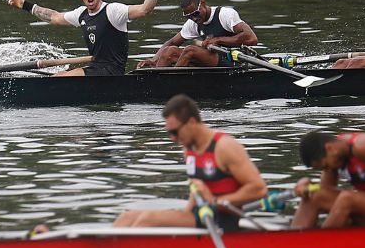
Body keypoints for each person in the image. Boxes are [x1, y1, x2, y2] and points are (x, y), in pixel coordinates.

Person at [114, 95, 267, 231]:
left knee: (147, 220)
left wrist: (216, 201)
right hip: (200, 216)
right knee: (126, 217)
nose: (173, 138)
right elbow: (197, 188)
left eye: (175, 132)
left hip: (223, 220)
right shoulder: (188, 148)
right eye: (169, 133)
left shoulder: (224, 147)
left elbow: (259, 189)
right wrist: (184, 214)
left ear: (192, 122)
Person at [4, 0, 165, 76]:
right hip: (96, 69)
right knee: (60, 75)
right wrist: (25, 5)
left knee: (60, 77)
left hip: (112, 72)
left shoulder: (113, 10)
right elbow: (54, 17)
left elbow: (145, 9)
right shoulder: (81, 14)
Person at [137, 0, 258, 68]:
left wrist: (218, 40)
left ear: (203, 3)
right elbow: (173, 42)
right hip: (211, 59)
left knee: (190, 50)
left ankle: (170, 84)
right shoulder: (194, 23)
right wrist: (153, 60)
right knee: (169, 51)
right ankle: (156, 80)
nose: (194, 18)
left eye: (196, 13)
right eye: (189, 16)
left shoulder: (225, 14)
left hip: (232, 60)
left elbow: (251, 39)